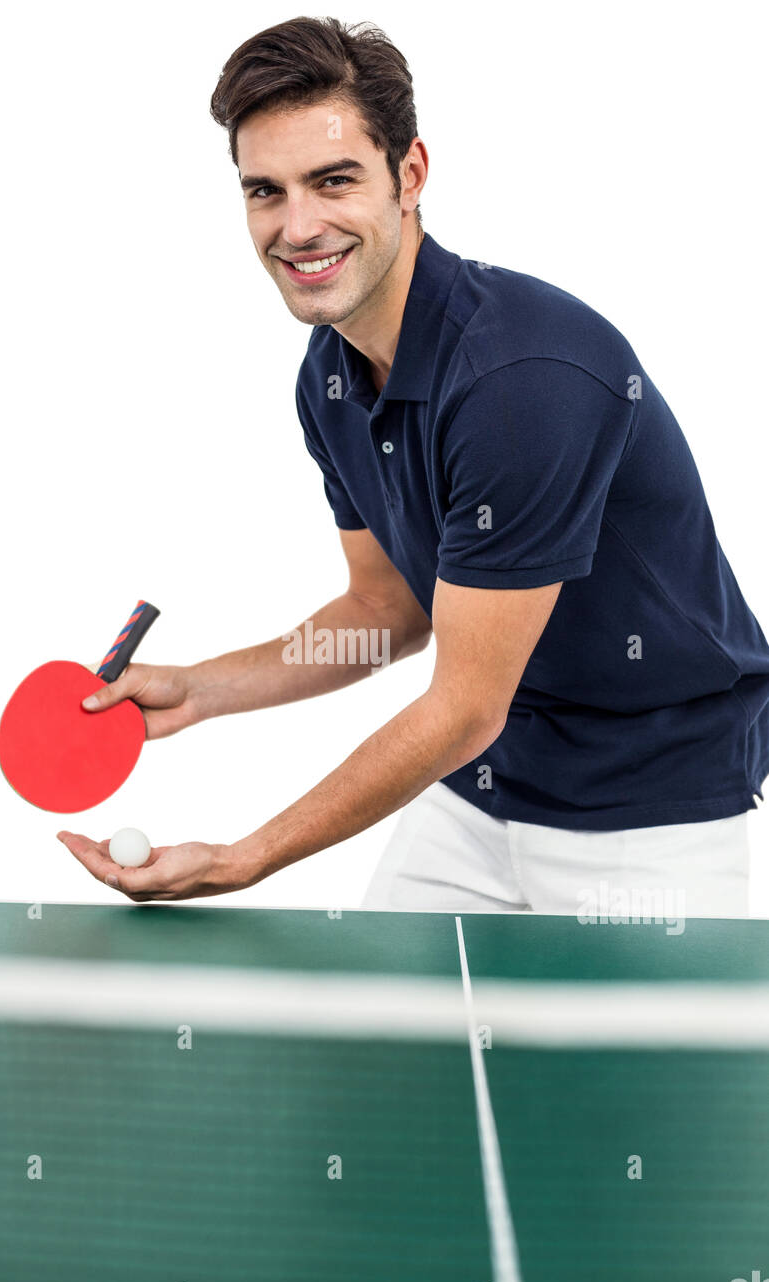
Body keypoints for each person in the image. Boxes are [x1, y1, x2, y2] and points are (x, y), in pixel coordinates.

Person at [60, 17, 769, 918]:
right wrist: (200, 689)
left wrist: (246, 858)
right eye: (265, 192)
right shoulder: (329, 377)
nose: (297, 226)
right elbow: (386, 613)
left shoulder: (523, 384)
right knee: (381, 1052)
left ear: (411, 175)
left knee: (612, 1068)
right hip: (477, 791)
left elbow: (464, 706)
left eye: (333, 180)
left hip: (646, 821)